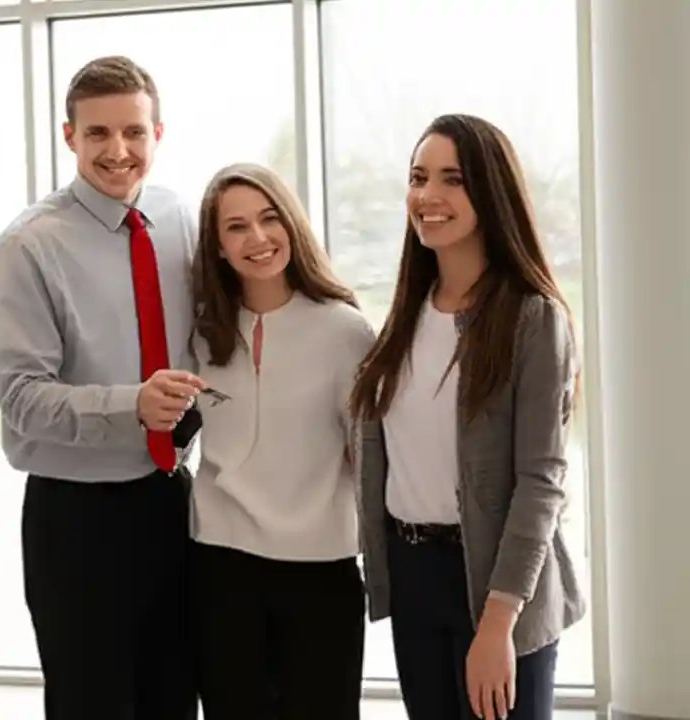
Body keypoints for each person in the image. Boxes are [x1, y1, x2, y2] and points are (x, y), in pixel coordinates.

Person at [0, 55, 200, 720]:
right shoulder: (30, 245)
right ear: (69, 136)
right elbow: (21, 397)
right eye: (99, 133)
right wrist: (130, 405)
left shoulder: (177, 219)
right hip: (76, 523)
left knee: (172, 700)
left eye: (134, 132)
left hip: (172, 506)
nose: (118, 151)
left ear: (158, 134)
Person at [349, 113, 586, 720]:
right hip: (414, 572)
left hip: (495, 582)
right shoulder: (402, 321)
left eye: (452, 179)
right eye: (418, 177)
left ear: (490, 192)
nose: (428, 196)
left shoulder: (533, 319)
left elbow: (541, 484)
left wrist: (497, 623)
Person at [186, 162, 374, 719]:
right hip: (221, 566)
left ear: (292, 225)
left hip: (321, 569)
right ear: (217, 246)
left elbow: (367, 455)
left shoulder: (346, 331)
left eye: (270, 219)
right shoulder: (202, 334)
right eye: (237, 227)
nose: (258, 238)